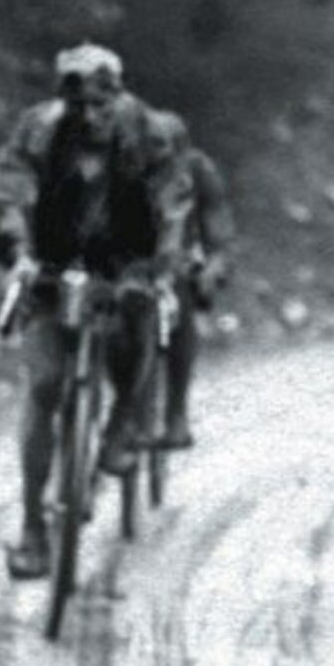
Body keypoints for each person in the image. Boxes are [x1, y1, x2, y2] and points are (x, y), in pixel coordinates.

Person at [0, 43, 191, 579]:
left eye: (101, 105)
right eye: (79, 106)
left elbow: (172, 201)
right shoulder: (40, 131)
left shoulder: (145, 130)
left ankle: (122, 423)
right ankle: (33, 528)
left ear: (116, 97)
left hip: (125, 262)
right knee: (45, 383)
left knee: (138, 331)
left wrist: (162, 265)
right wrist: (19, 252)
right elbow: (9, 191)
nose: (91, 117)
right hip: (52, 264)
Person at [139, 102, 237, 453]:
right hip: (133, 255)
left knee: (180, 309)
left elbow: (217, 222)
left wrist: (216, 263)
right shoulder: (125, 168)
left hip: (180, 255)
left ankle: (176, 412)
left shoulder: (198, 170)